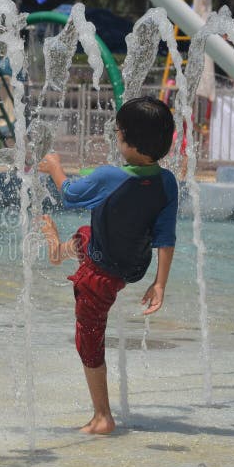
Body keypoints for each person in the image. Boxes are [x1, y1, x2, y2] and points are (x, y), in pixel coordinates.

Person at [37, 96, 178, 435]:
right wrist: (160, 284)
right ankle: (60, 251)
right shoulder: (167, 182)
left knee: (89, 336)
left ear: (126, 138)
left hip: (101, 274)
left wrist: (54, 166)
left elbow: (69, 194)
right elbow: (165, 235)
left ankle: (102, 417)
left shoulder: (109, 177)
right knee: (89, 234)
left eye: (117, 131)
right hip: (134, 265)